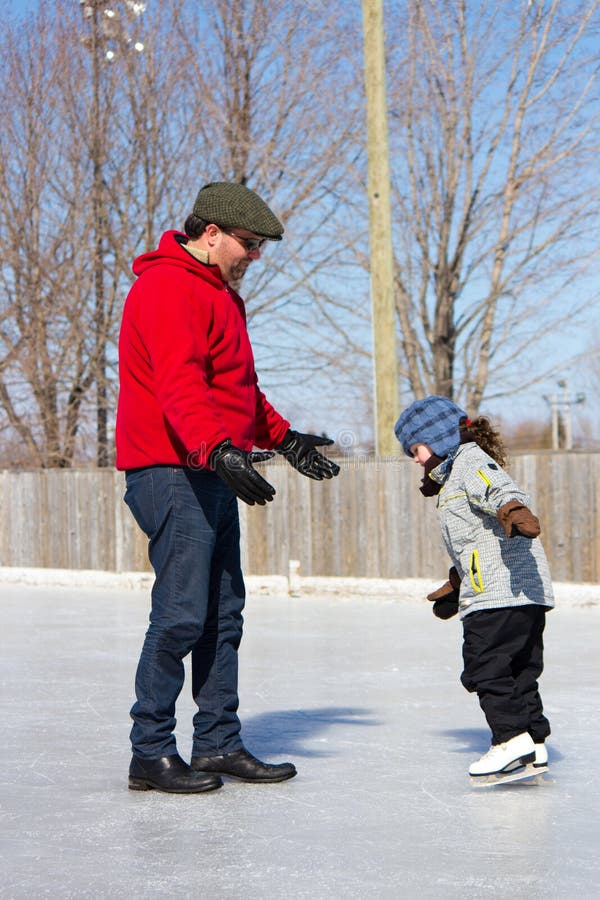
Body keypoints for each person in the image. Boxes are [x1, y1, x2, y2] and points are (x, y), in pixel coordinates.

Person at [116, 181, 340, 794]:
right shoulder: (166, 287)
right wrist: (215, 449)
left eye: (260, 246)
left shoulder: (220, 296)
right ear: (209, 232)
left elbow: (237, 390)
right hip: (169, 468)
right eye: (248, 243)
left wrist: (285, 437)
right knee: (182, 613)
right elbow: (179, 385)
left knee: (223, 614)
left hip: (206, 465)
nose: (254, 256)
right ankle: (150, 750)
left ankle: (216, 743)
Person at [394, 395, 554, 784]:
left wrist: (513, 509)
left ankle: (509, 738)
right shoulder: (457, 471)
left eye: (415, 449)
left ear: (435, 437)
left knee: (485, 666)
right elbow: (476, 540)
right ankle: (533, 740)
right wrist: (457, 583)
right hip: (522, 591)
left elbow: (495, 487)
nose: (415, 459)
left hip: (497, 595)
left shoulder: (469, 462)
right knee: (518, 668)